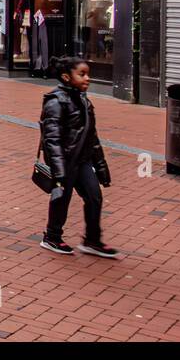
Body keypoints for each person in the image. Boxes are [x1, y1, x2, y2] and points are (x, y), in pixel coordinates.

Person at [40, 56, 117, 258]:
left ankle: (92, 240)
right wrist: (59, 170)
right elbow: (52, 139)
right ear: (66, 77)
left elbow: (92, 136)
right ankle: (52, 237)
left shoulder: (84, 101)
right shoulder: (56, 102)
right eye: (81, 74)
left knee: (94, 197)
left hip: (82, 161)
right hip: (65, 162)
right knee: (61, 199)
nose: (87, 78)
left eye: (88, 74)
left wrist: (101, 167)